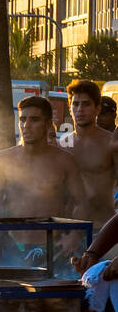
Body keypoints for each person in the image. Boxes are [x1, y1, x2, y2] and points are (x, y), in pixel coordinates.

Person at [0, 96, 87, 272]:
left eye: (34, 119)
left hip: (55, 248)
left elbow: (81, 202)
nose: (26, 125)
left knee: (54, 298)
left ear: (47, 124)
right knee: (13, 298)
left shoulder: (64, 161)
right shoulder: (3, 159)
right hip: (13, 247)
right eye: (22, 119)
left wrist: (75, 234)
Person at [64, 79, 118, 243]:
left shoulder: (110, 143)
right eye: (76, 104)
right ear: (70, 108)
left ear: (97, 109)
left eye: (86, 104)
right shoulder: (62, 145)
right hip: (68, 229)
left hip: (102, 228)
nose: (80, 110)